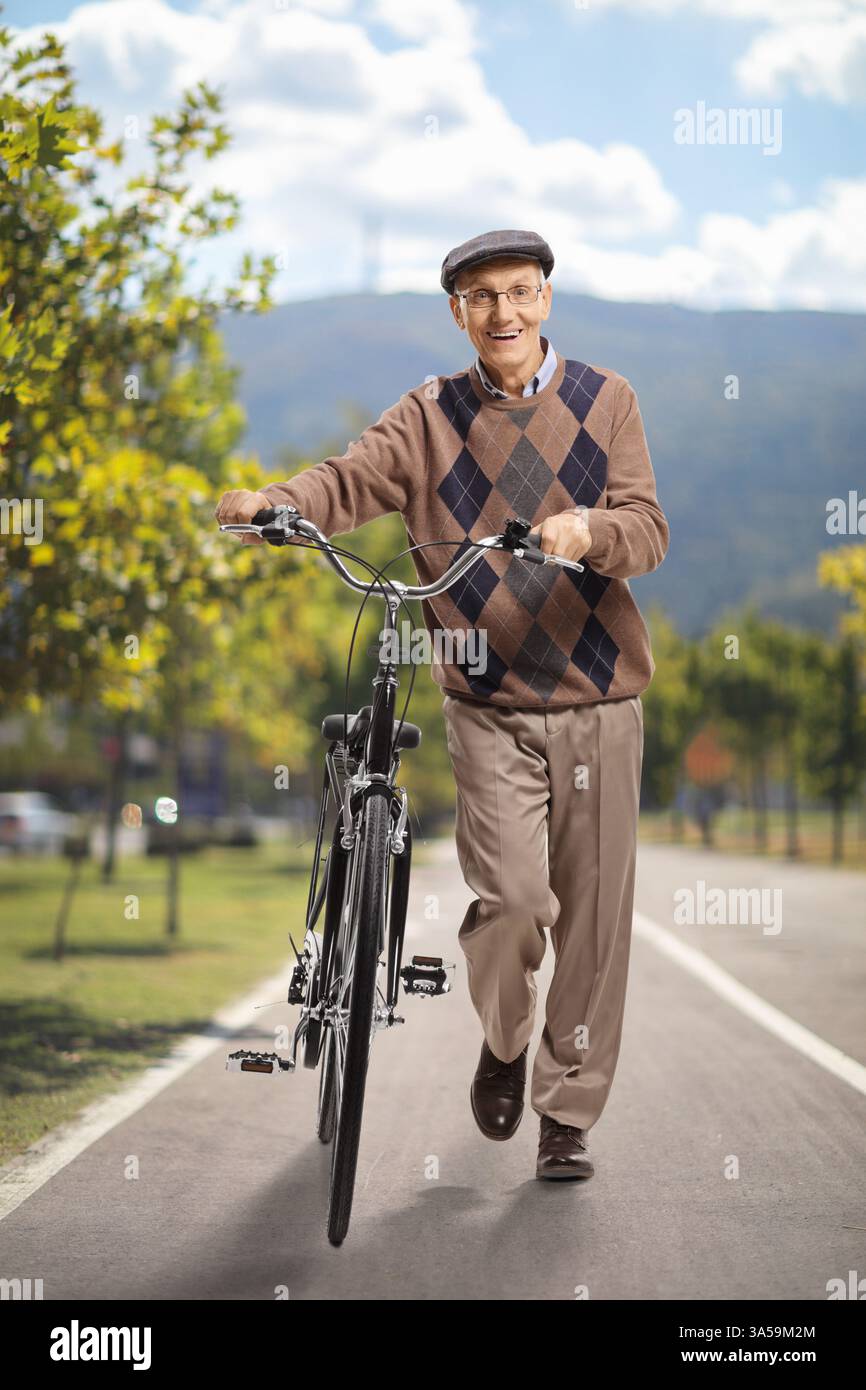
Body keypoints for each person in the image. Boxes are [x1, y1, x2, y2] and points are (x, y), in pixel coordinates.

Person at [215, 229, 669, 1180]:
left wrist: (588, 530)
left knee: (593, 920)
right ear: (457, 311)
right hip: (487, 698)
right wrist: (274, 502)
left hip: (599, 695)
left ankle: (566, 1115)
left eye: (520, 291)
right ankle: (505, 1042)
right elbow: (349, 478)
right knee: (510, 904)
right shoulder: (428, 414)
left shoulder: (606, 399)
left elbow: (648, 529)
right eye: (481, 297)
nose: (503, 312)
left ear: (546, 298)